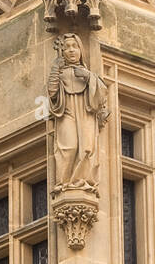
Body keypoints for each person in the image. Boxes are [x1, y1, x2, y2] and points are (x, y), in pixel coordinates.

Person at [47, 33, 109, 193]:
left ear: (81, 50)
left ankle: (82, 181)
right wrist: (55, 69)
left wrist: (88, 77)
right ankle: (64, 183)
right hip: (67, 113)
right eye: (67, 47)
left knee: (87, 148)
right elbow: (52, 93)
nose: (71, 50)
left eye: (75, 47)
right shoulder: (60, 73)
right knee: (69, 146)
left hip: (85, 114)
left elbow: (102, 93)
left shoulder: (88, 74)